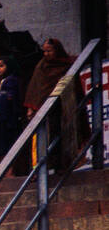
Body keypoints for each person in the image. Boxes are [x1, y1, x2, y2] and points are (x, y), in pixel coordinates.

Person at [22, 38, 74, 174]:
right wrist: (30, 107)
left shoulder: (66, 66)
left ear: (57, 51)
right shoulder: (41, 66)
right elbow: (35, 87)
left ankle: (60, 165)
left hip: (60, 108)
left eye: (49, 51)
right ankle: (40, 170)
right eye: (44, 51)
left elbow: (72, 88)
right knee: (40, 139)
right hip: (42, 110)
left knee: (59, 136)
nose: (46, 54)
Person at [0, 56, 24, 176]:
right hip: (2, 118)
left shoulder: (11, 80)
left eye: (2, 66)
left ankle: (9, 172)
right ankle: (5, 171)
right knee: (1, 145)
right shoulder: (4, 81)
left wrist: (1, 101)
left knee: (7, 144)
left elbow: (10, 97)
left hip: (8, 119)